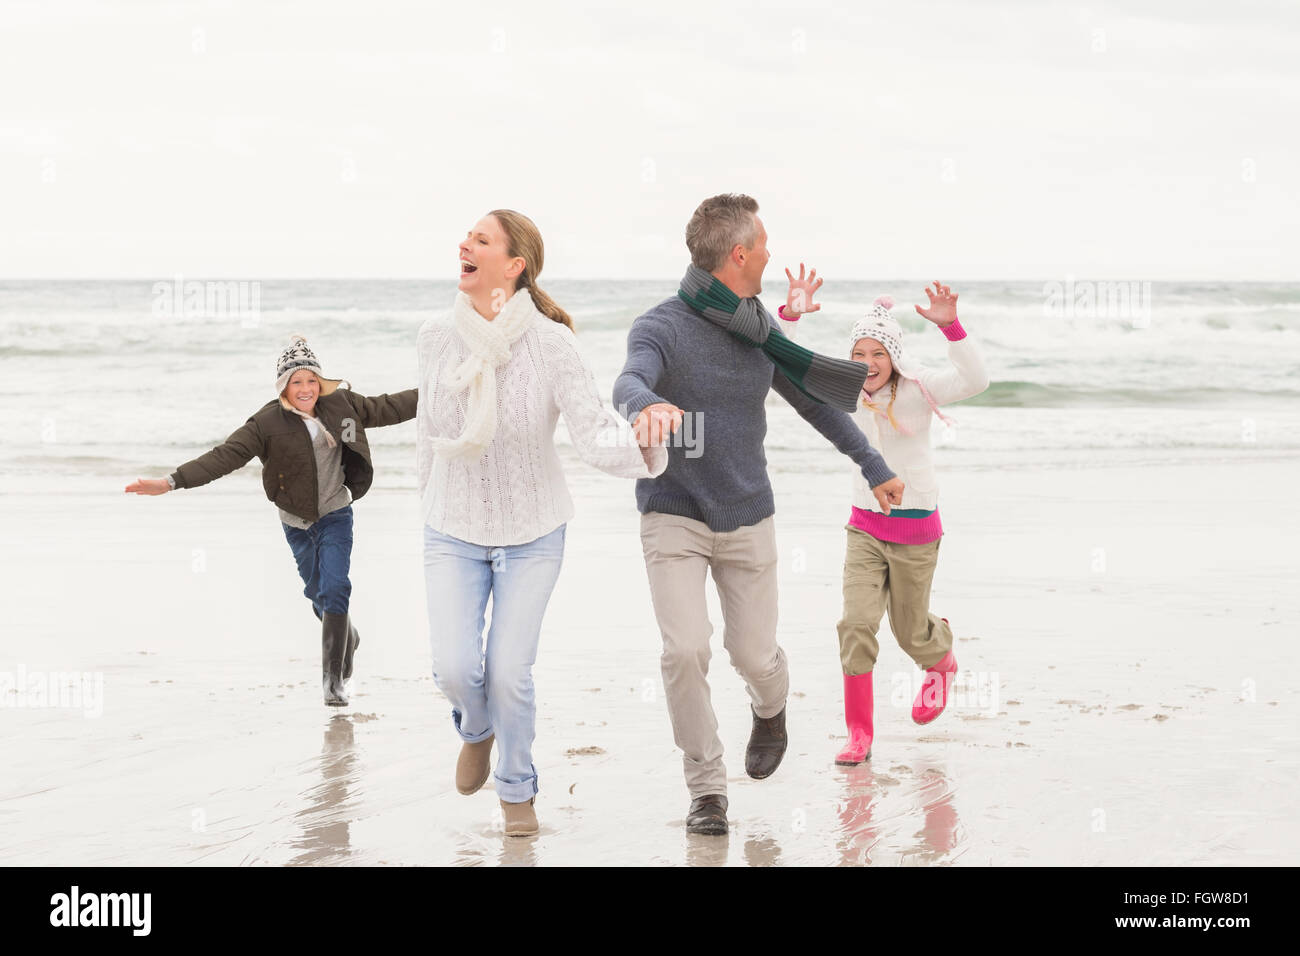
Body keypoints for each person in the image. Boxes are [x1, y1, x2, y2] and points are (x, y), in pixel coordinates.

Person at [612, 194, 905, 835]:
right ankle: (707, 790)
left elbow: (814, 403)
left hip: (747, 513)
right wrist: (643, 407)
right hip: (674, 513)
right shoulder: (659, 326)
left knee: (753, 656)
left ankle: (770, 708)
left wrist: (872, 464)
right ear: (739, 254)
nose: (771, 254)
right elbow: (630, 379)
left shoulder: (759, 331)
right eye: (764, 244)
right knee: (685, 650)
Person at [417, 208, 666, 838]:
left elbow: (590, 435)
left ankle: (517, 790)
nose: (464, 244)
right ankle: (476, 728)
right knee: (453, 668)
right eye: (466, 236)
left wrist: (650, 445)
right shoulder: (435, 337)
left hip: (533, 532)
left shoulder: (552, 343)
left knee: (509, 671)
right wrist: (429, 503)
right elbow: (428, 435)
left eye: (480, 239)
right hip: (451, 527)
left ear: (514, 264)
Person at [124, 337, 417, 706]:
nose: (306, 389)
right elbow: (224, 456)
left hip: (335, 513)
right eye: (297, 382)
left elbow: (389, 406)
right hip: (296, 522)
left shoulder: (342, 406)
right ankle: (349, 637)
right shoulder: (266, 423)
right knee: (318, 594)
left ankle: (333, 684)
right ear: (284, 386)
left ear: (320, 382)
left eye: (312, 380)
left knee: (336, 587)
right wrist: (170, 482)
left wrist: (438, 390)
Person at [781, 275, 989, 764]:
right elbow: (783, 368)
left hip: (917, 531)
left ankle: (940, 661)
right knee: (855, 622)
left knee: (909, 630)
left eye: (878, 354)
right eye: (859, 354)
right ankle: (860, 734)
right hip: (865, 529)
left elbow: (976, 380)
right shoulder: (846, 393)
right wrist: (788, 316)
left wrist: (951, 327)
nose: (868, 364)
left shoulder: (920, 388)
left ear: (893, 355)